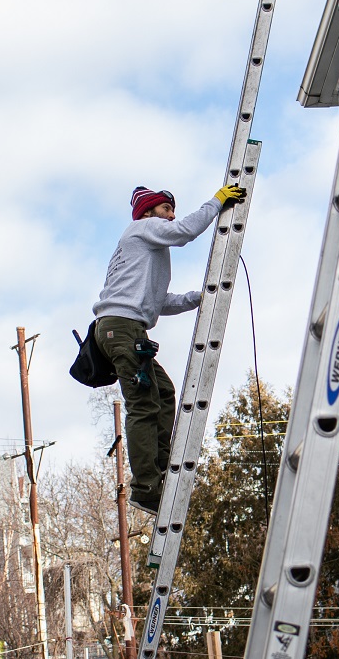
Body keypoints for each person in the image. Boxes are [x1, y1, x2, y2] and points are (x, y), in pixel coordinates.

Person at [94, 182, 245, 514]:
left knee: (162, 392)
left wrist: (199, 297)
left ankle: (159, 472)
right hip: (122, 329)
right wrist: (217, 202)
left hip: (125, 328)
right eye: (166, 209)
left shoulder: (144, 250)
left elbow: (158, 302)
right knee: (143, 406)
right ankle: (146, 487)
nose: (172, 215)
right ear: (149, 212)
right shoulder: (143, 229)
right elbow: (185, 231)